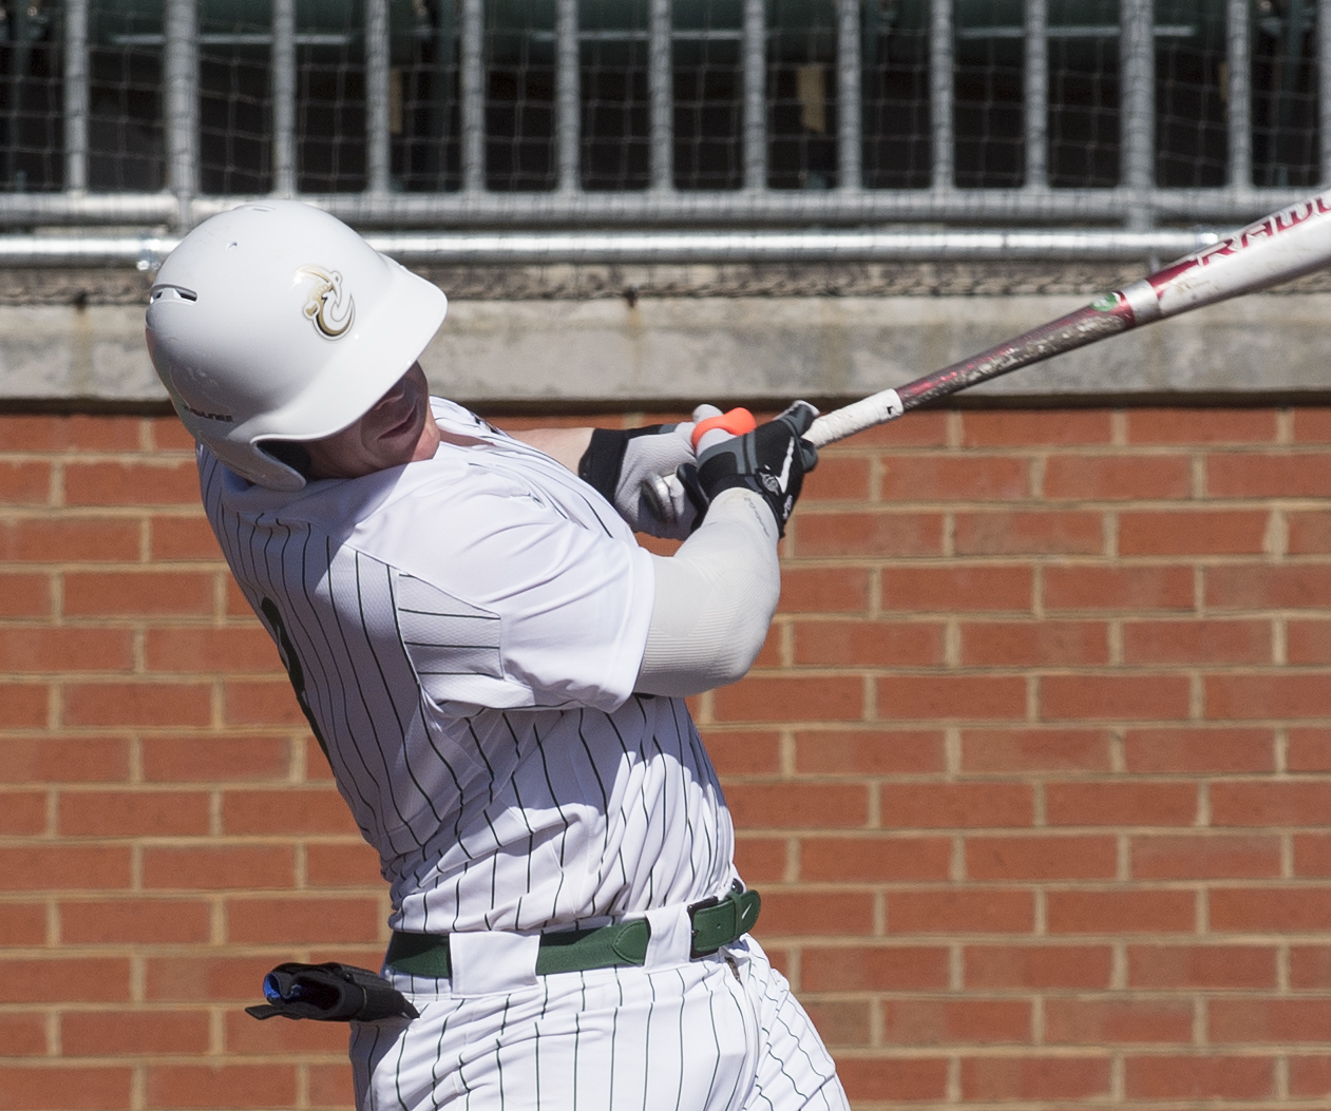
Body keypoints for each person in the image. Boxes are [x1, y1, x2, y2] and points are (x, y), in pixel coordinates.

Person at [145, 200, 849, 1111]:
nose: (398, 387)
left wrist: (654, 460)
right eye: (354, 391)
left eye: (391, 355)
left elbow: (483, 458)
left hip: (715, 978)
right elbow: (716, 627)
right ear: (268, 444)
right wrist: (749, 493)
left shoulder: (260, 459)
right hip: (551, 1036)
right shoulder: (413, 557)